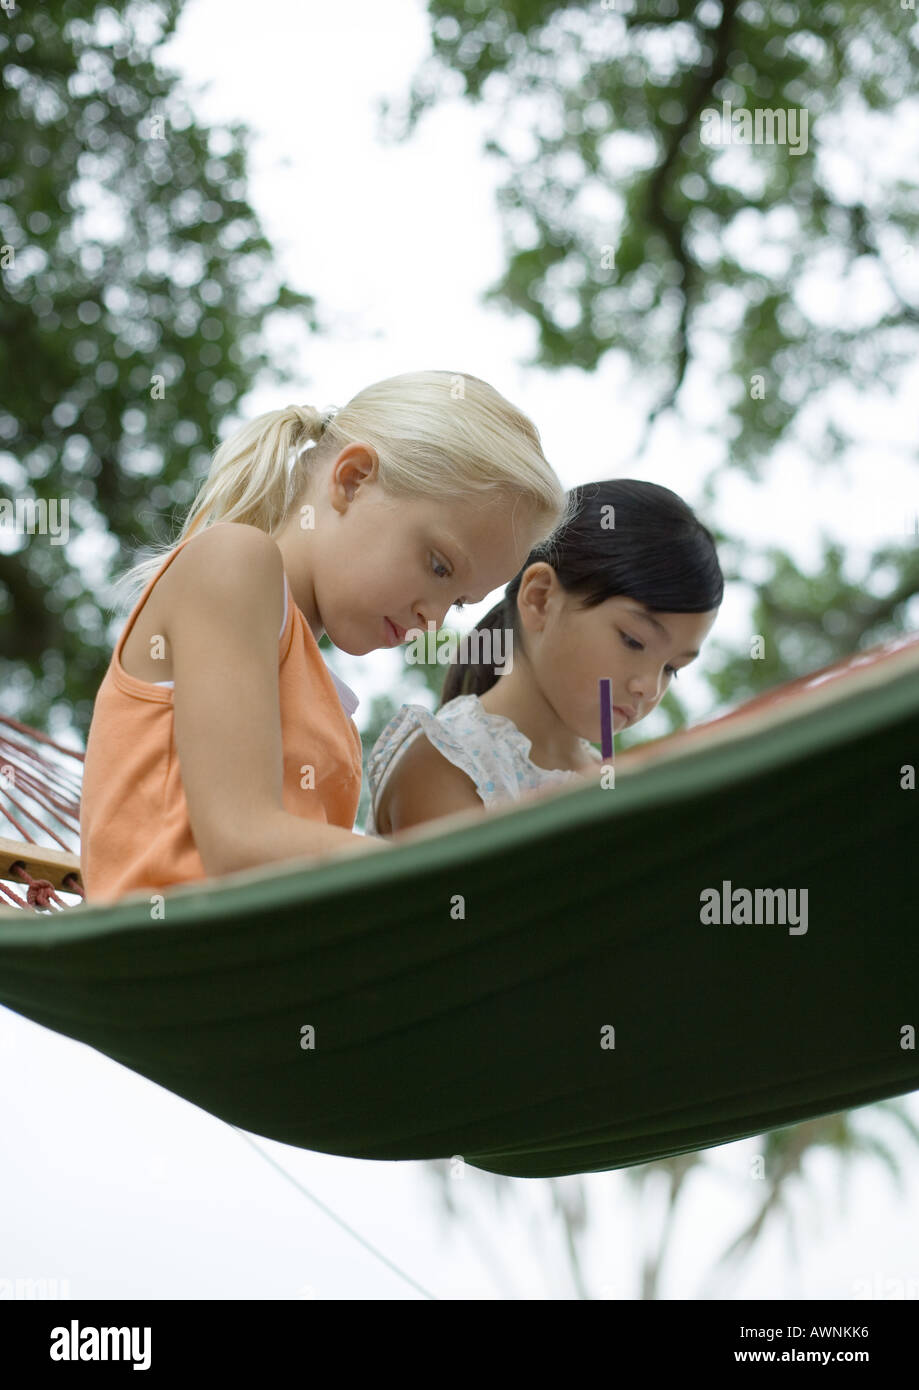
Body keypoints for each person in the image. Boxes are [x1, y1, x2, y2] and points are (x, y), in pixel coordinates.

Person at [78, 370, 572, 904]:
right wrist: (460, 879)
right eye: (438, 565)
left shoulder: (321, 695)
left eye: (458, 604)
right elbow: (240, 840)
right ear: (353, 479)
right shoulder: (234, 561)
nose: (432, 620)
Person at [367, 479, 724, 836]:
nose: (649, 687)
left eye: (673, 669)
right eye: (633, 640)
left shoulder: (618, 787)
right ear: (540, 599)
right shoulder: (446, 762)